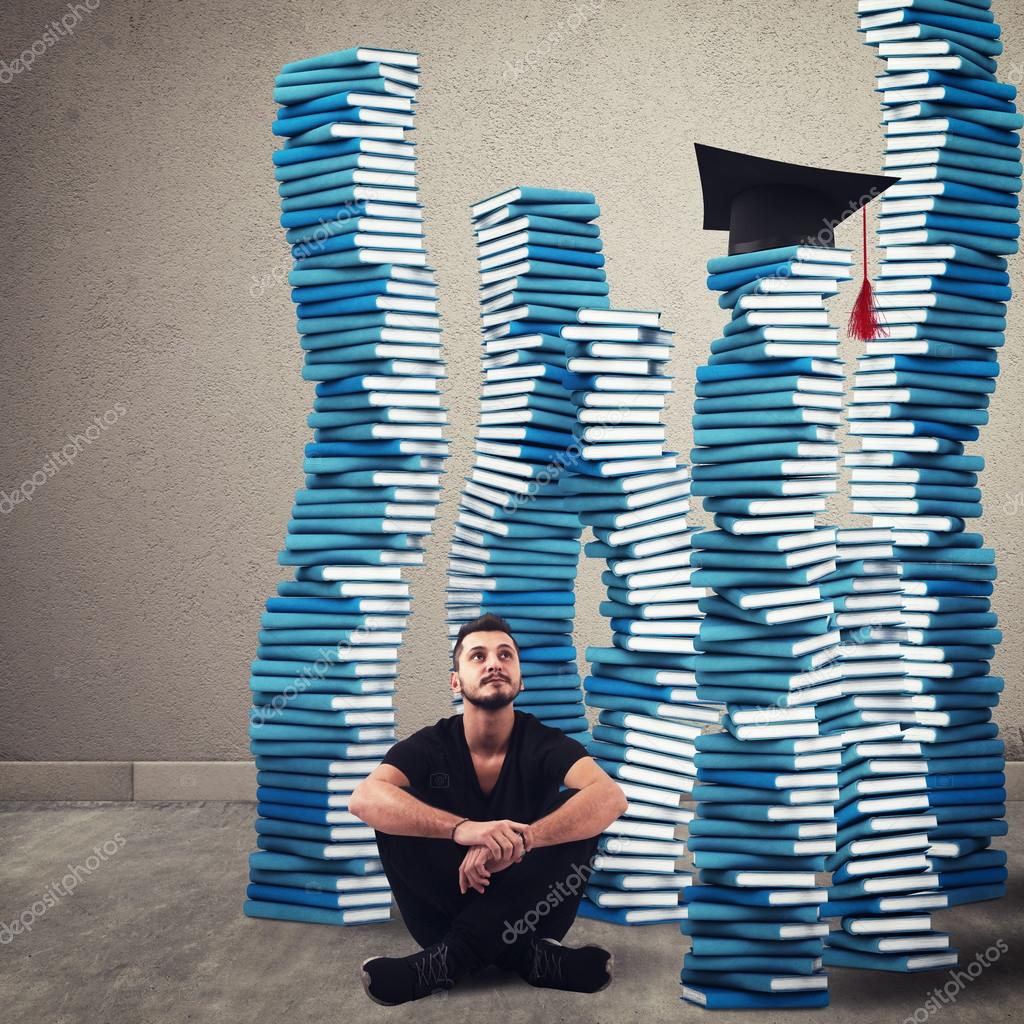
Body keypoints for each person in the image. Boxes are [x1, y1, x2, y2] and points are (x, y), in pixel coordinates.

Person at [348, 613, 629, 1005]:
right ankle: (532, 960)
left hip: (532, 913)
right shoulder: (432, 744)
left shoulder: (543, 742)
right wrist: (463, 829)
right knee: (397, 809)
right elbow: (364, 798)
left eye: (505, 655)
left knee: (579, 810)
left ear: (520, 678)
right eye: (478, 656)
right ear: (455, 680)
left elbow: (611, 798)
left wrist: (522, 840)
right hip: (440, 915)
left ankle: (444, 964)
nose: (494, 663)